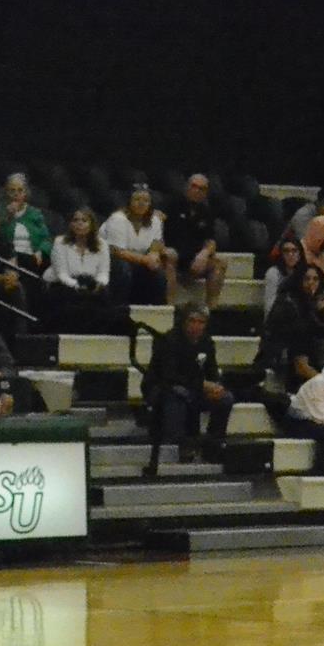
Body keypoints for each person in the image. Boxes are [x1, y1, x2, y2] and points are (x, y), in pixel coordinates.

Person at [142, 303, 231, 471]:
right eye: (192, 321)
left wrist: (216, 386)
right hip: (164, 387)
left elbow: (212, 371)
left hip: (194, 388)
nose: (196, 326)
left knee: (225, 398)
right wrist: (202, 385)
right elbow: (169, 376)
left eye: (201, 322)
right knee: (180, 393)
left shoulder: (207, 342)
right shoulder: (169, 340)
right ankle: (180, 441)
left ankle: (213, 443)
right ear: (184, 321)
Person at [43, 207, 117, 331]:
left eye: (84, 220)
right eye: (76, 220)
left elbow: (103, 273)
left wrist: (99, 284)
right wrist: (77, 286)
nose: (79, 223)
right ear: (71, 224)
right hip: (61, 283)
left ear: (92, 224)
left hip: (89, 282)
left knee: (103, 293)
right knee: (72, 297)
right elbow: (62, 275)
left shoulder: (102, 244)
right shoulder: (60, 242)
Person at [102, 186, 173, 305]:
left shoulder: (155, 220)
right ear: (129, 202)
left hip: (139, 261)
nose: (141, 203)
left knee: (159, 272)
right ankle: (119, 307)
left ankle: (158, 311)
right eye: (137, 199)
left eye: (145, 201)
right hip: (112, 260)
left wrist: (153, 257)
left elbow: (156, 244)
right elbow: (117, 251)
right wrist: (146, 259)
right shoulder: (117, 219)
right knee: (123, 268)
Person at [165, 174, 226, 307]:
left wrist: (204, 254)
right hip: (171, 256)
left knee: (219, 264)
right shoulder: (171, 204)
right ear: (187, 187)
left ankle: (211, 309)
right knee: (170, 255)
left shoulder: (206, 212)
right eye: (194, 186)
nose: (197, 191)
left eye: (202, 189)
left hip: (194, 260)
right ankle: (169, 307)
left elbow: (211, 240)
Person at [0, 174, 52, 276]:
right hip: (9, 259)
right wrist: (9, 217)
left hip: (33, 259)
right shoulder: (1, 213)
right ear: (6, 193)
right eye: (12, 191)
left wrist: (40, 251)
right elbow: (0, 238)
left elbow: (47, 240)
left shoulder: (35, 214)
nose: (16, 194)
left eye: (20, 190)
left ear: (25, 193)